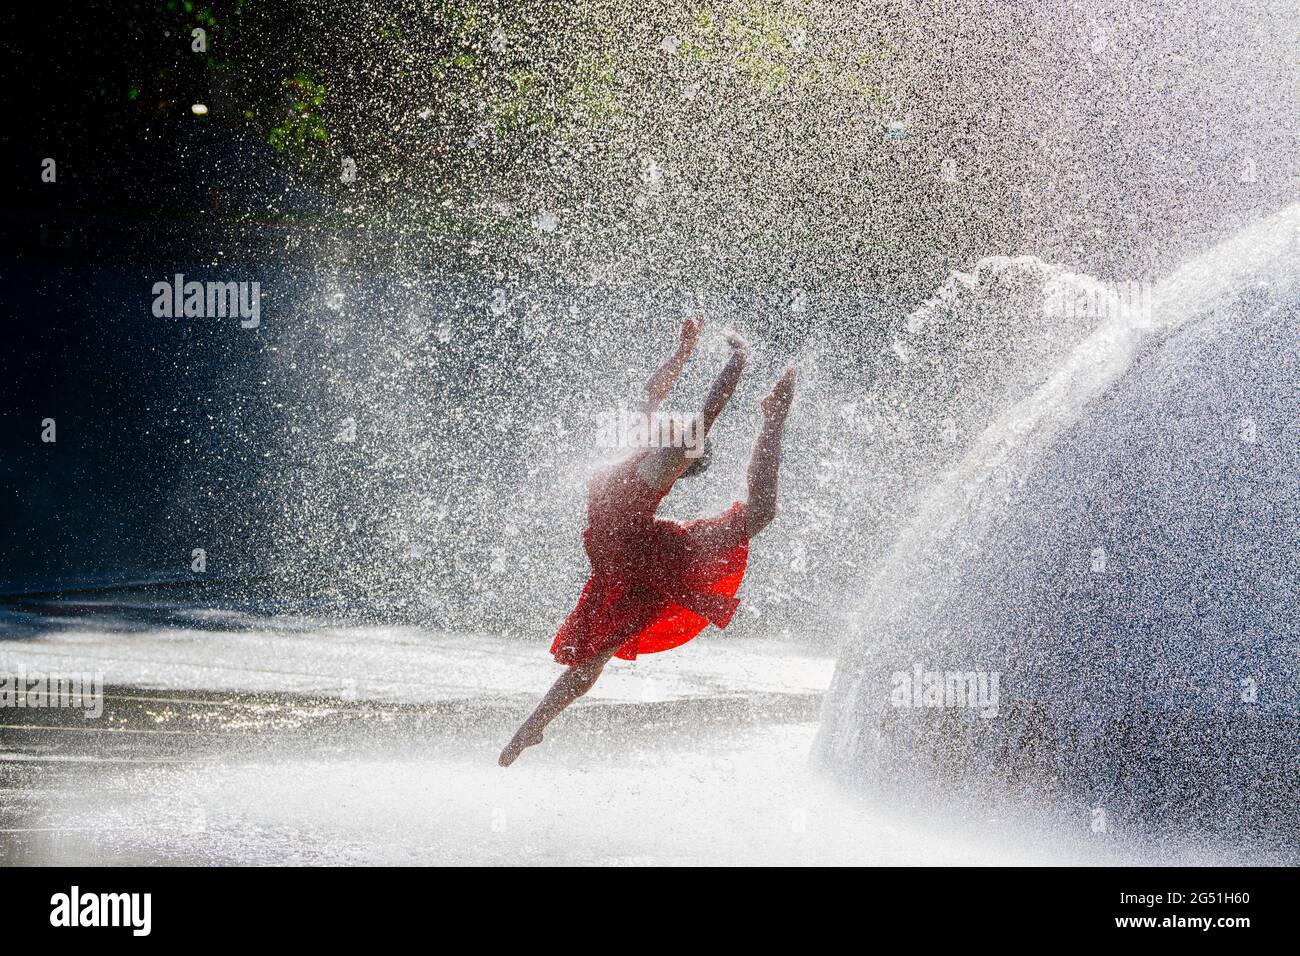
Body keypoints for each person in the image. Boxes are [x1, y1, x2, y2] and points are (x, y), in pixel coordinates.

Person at [499, 315, 796, 767]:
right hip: (618, 557)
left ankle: (772, 416)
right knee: (592, 656)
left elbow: (709, 410)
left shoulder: (665, 459)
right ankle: (535, 724)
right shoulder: (644, 440)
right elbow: (652, 390)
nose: (671, 418)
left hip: (644, 555)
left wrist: (737, 359)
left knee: (760, 514)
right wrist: (684, 350)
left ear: (683, 453)